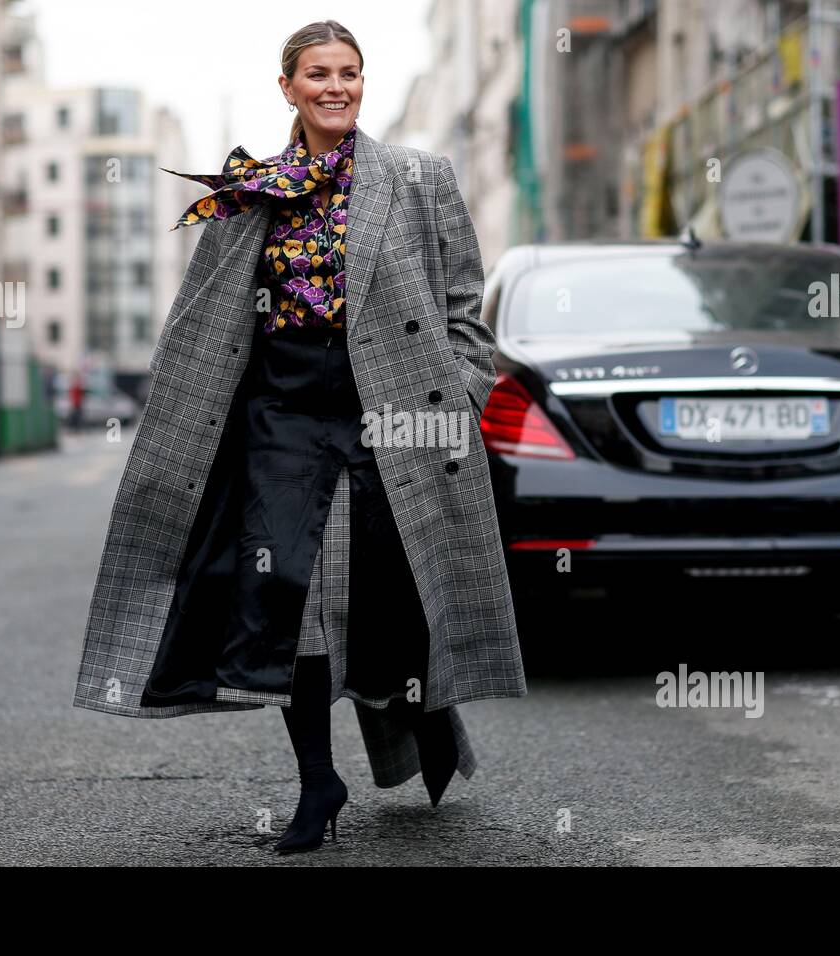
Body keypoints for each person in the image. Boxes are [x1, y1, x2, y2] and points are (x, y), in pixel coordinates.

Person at [72, 19, 526, 856]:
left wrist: (457, 394)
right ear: (288, 87)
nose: (336, 87)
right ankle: (319, 782)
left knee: (395, 596)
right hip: (281, 419)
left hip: (391, 417)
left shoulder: (418, 178)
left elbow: (466, 306)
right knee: (292, 598)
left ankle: (426, 717)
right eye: (318, 73)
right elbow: (205, 313)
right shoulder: (253, 189)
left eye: (349, 73)